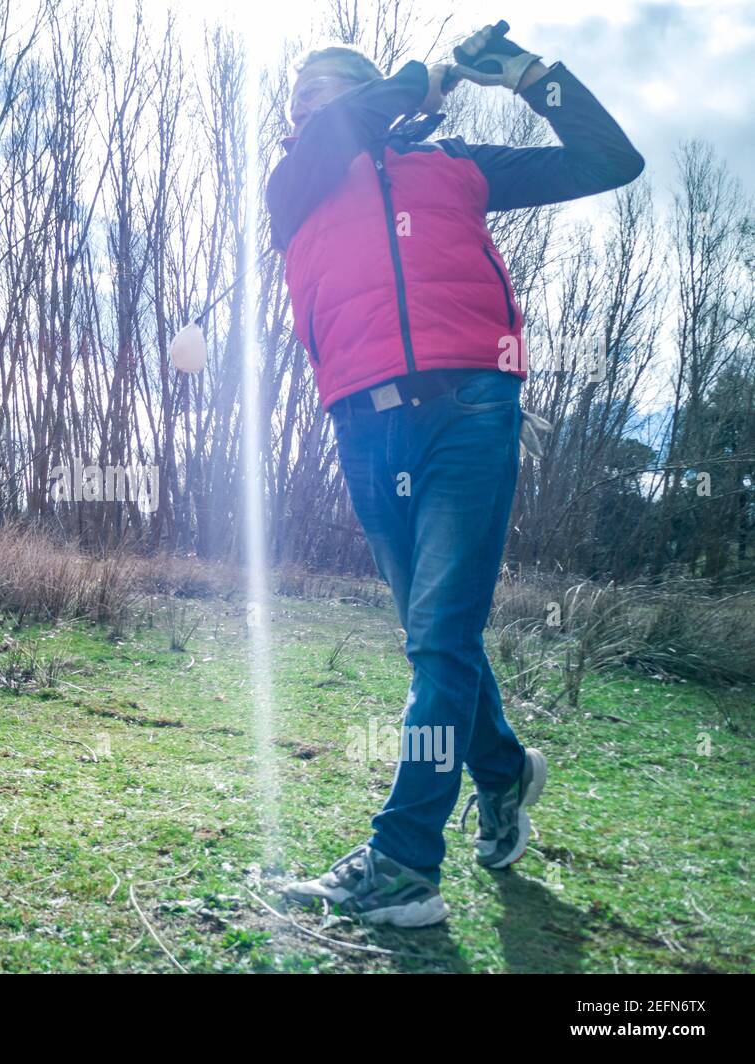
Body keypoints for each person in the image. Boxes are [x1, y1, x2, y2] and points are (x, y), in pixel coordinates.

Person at [266, 26, 644, 927]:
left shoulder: (456, 167)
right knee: (440, 638)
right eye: (296, 100)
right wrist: (415, 78)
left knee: (439, 638)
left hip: (472, 406)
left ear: (361, 90)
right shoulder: (298, 180)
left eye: (318, 91)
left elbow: (610, 158)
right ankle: (506, 772)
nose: (303, 110)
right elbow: (344, 128)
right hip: (363, 421)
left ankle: (404, 863)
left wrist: (527, 78)